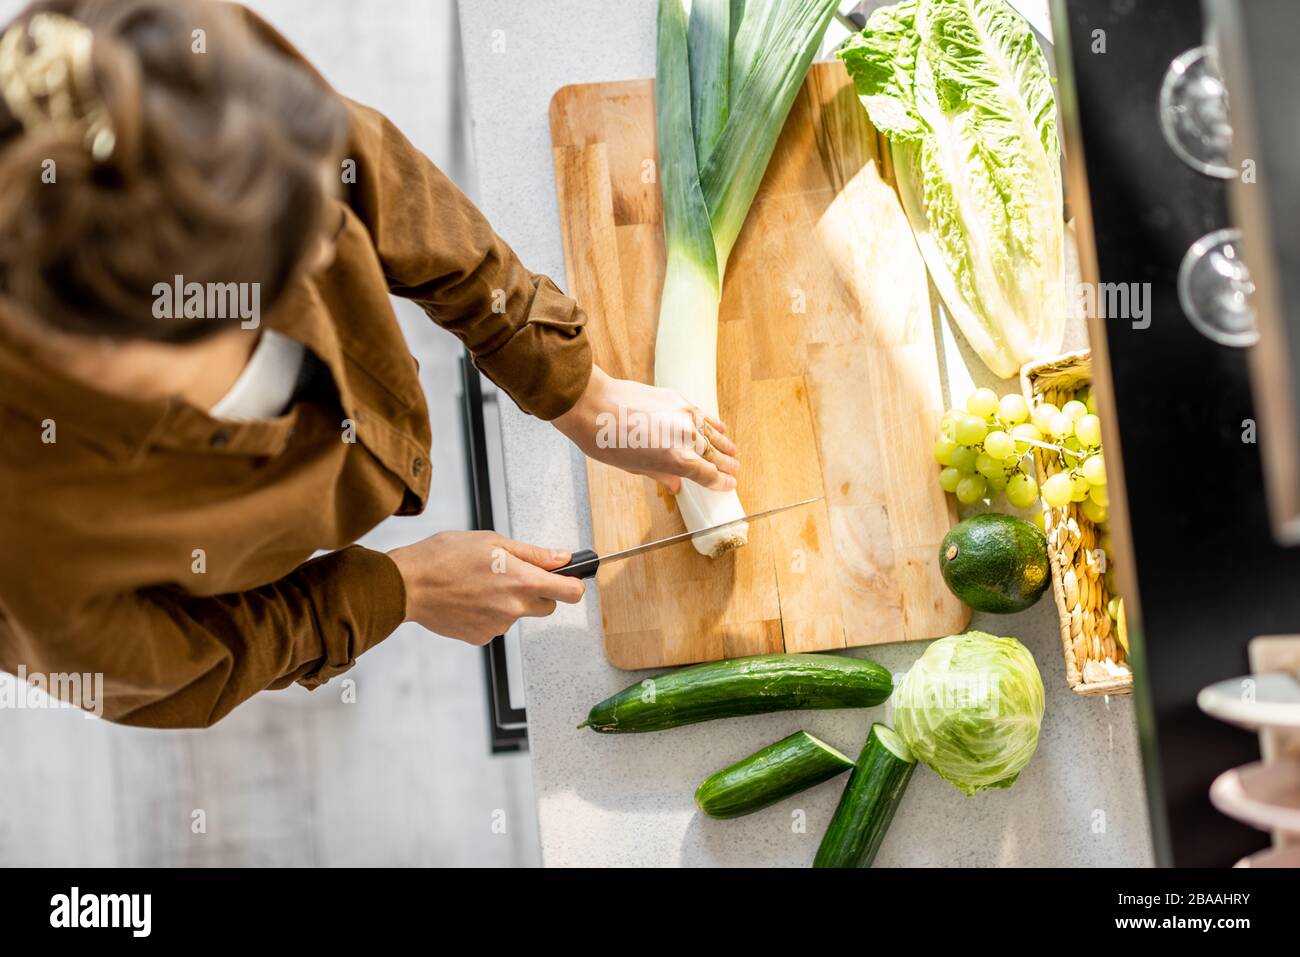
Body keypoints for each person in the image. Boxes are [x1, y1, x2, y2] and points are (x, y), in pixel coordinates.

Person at [0, 0, 739, 727]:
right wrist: (399, 589)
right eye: (288, 272)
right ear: (133, 359)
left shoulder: (150, 61)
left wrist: (579, 389)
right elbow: (171, 671)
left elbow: (364, 165)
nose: (334, 248)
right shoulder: (33, 549)